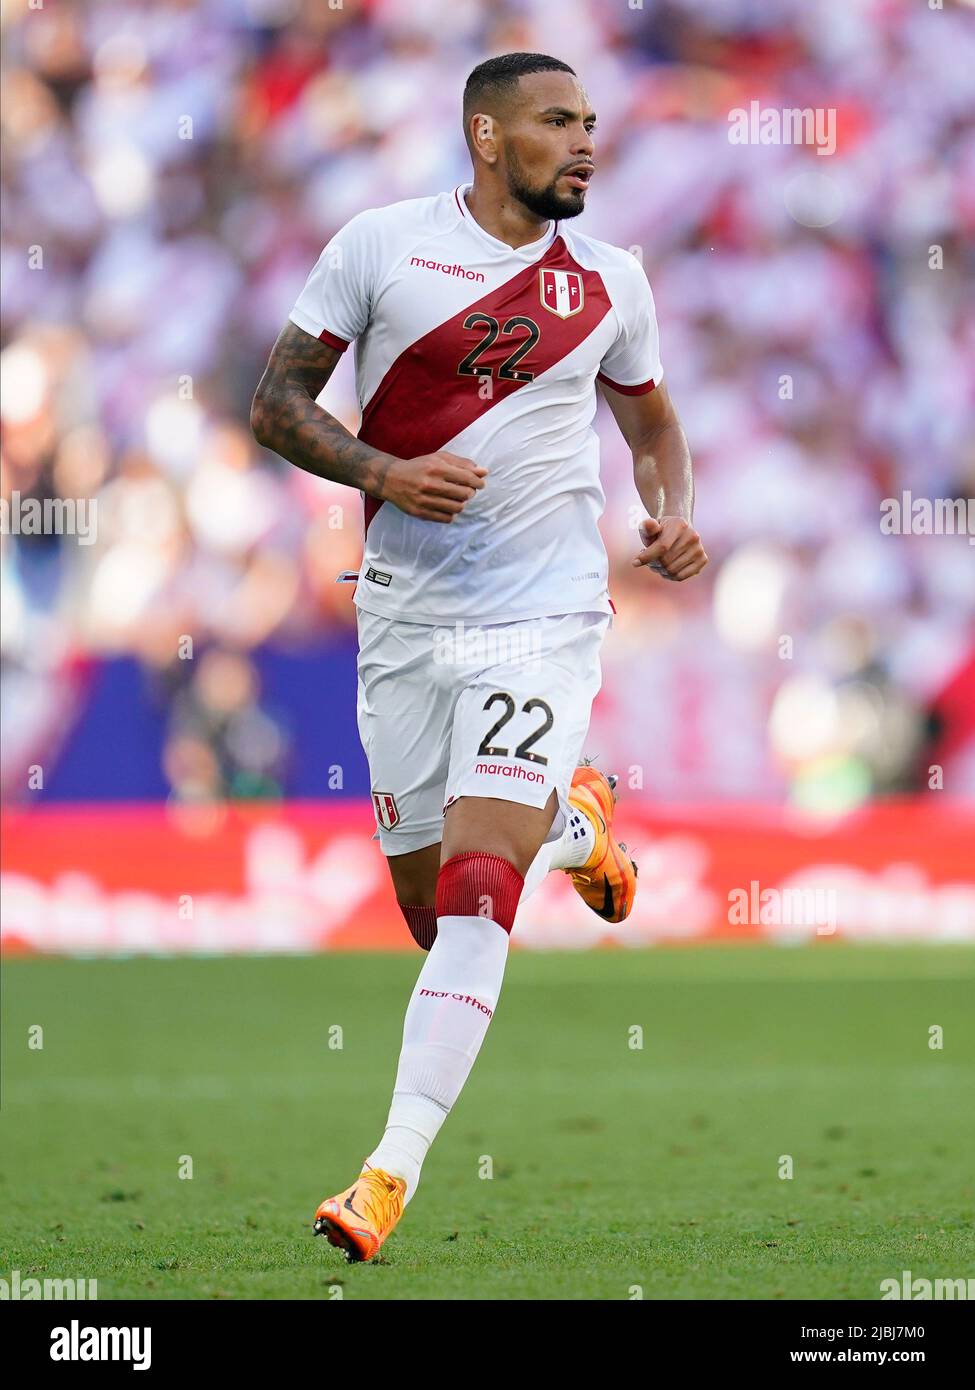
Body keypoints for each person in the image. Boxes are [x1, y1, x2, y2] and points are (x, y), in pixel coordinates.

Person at [250, 51, 708, 1263]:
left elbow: (652, 421)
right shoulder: (379, 246)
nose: (586, 142)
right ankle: (579, 824)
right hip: (402, 613)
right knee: (425, 905)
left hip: (544, 614)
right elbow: (276, 404)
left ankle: (383, 1177)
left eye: (593, 123)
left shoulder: (614, 280)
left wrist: (668, 506)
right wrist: (385, 472)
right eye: (559, 122)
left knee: (473, 897)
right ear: (487, 134)